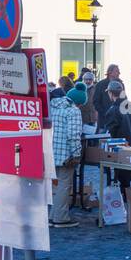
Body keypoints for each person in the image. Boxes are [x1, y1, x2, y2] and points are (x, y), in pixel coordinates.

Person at [99, 80, 131, 200]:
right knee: (130, 172)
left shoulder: (113, 109)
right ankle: (127, 194)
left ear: (111, 93)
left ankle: (125, 196)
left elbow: (111, 132)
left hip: (122, 147)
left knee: (123, 175)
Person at [49, 87, 85, 227]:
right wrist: (76, 154)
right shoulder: (73, 111)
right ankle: (61, 217)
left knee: (55, 185)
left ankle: (53, 215)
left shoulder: (52, 107)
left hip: (51, 152)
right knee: (64, 185)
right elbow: (73, 135)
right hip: (65, 154)